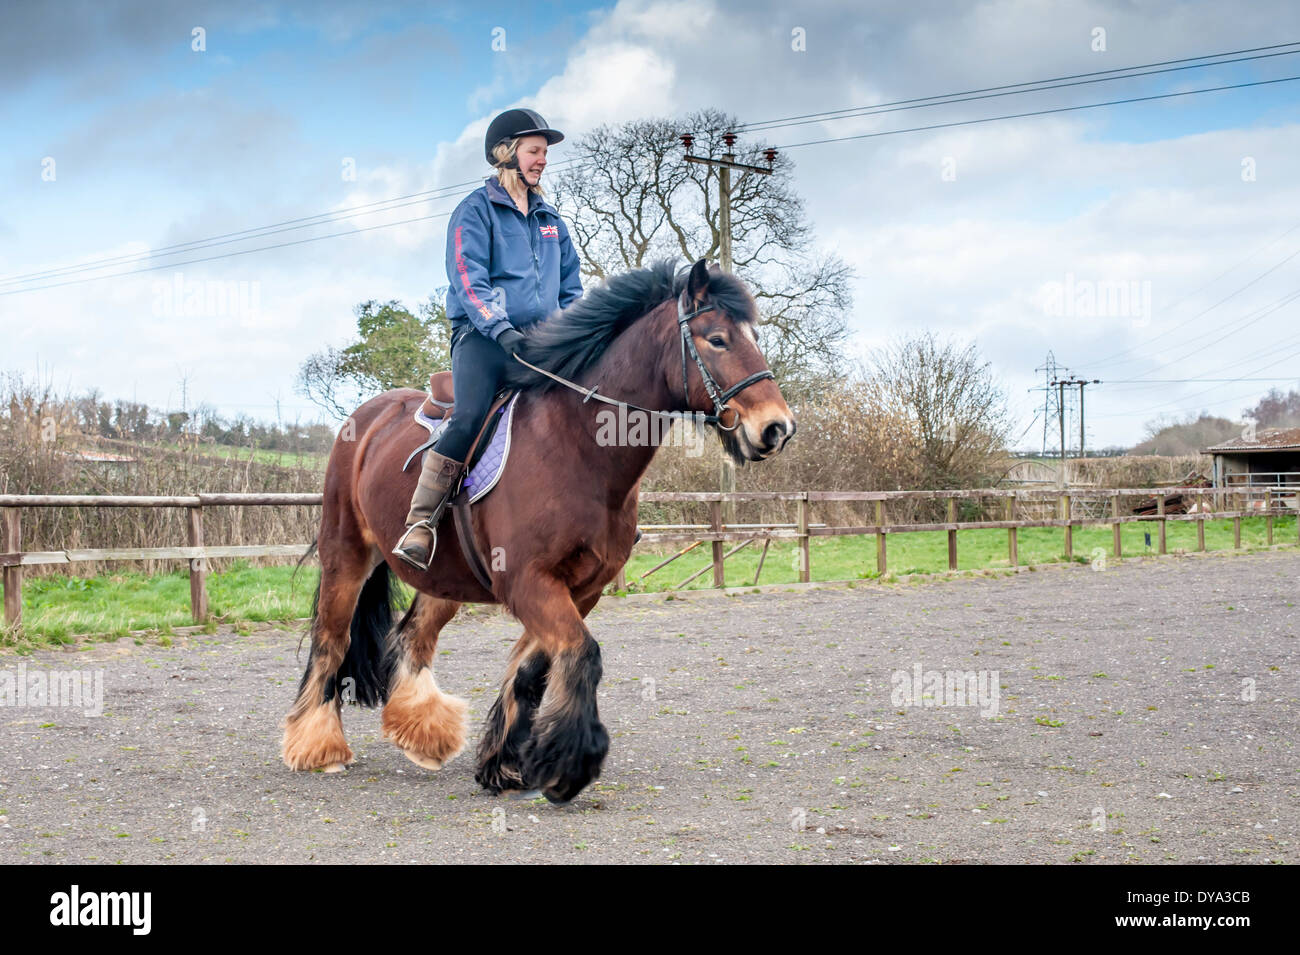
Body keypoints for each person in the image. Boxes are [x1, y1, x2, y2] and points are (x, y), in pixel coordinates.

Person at [393, 107, 584, 570]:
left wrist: (575, 335)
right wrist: (502, 329)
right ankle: (421, 523)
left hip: (542, 343)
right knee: (472, 413)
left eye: (544, 153)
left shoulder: (551, 221)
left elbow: (572, 289)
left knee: (584, 406)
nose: (542, 160)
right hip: (482, 338)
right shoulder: (474, 212)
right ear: (506, 154)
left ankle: (595, 511)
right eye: (534, 151)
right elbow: (466, 278)